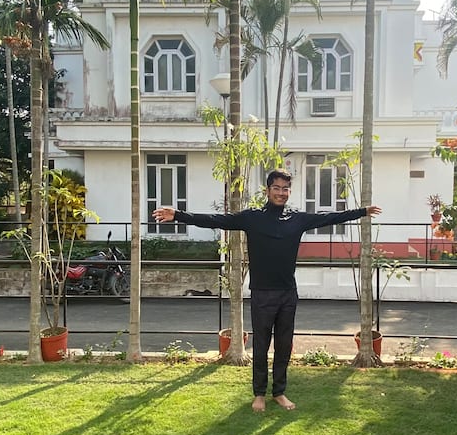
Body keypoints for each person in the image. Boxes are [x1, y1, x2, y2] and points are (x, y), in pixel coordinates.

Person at [153, 170, 381, 412]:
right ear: (268, 190)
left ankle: (279, 392)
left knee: (284, 345)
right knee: (261, 346)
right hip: (262, 293)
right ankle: (259, 394)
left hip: (288, 293)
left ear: (289, 191)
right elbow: (216, 219)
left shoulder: (298, 219)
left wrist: (362, 212)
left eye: (285, 189)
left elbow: (331, 217)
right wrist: (178, 215)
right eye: (277, 188)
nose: (281, 193)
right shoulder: (252, 218)